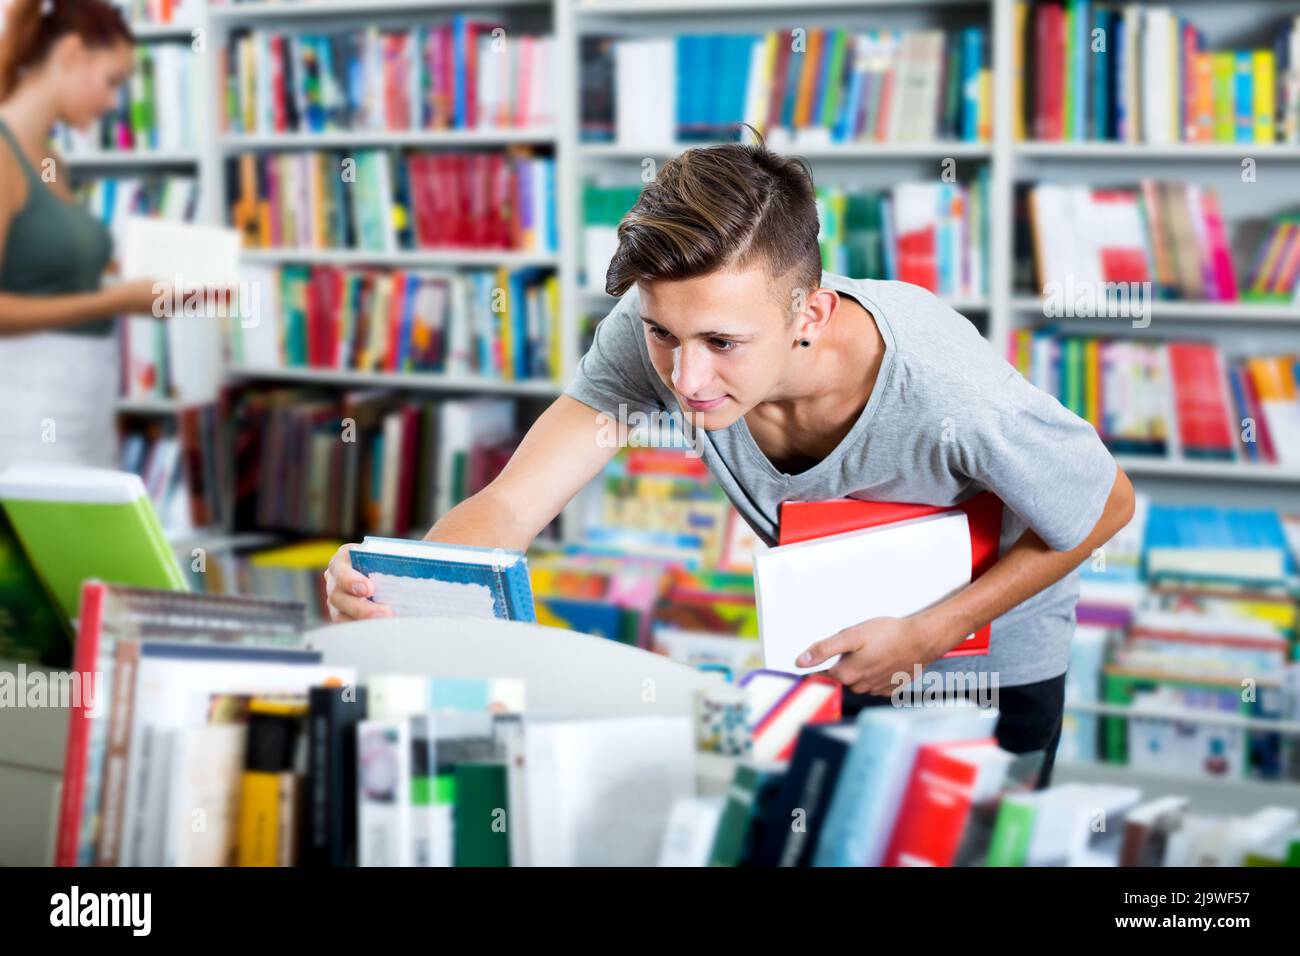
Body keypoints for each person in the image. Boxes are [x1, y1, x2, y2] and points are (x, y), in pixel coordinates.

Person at [324, 136, 1135, 788]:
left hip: (984, 660)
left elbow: (1106, 504)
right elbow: (511, 505)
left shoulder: (950, 391)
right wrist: (408, 592)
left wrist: (928, 633)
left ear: (810, 315)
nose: (686, 378)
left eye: (722, 343)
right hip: (829, 640)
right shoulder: (663, 327)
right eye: (663, 334)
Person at [0, 0, 165, 468]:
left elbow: (48, 278)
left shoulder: (52, 161)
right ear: (72, 54)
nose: (113, 103)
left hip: (86, 403)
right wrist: (114, 301)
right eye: (112, 81)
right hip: (26, 411)